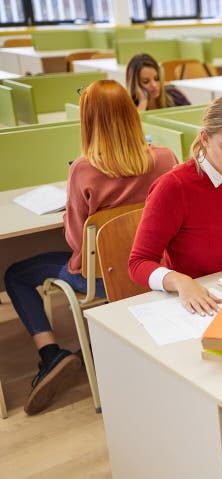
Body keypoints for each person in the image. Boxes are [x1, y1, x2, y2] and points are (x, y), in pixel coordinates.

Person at [4, 80, 177, 415]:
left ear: (87, 121)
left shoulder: (84, 169)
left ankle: (51, 354)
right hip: (156, 270)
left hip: (102, 278)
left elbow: (74, 240)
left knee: (14, 274)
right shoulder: (165, 158)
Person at [129, 95, 222, 315]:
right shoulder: (173, 187)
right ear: (205, 139)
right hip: (200, 300)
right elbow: (138, 263)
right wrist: (180, 282)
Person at [125, 53, 190, 112]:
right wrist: (143, 102)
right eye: (146, 81)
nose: (154, 85)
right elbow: (134, 124)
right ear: (134, 85)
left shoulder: (175, 96)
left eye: (157, 79)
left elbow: (192, 116)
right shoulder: (126, 106)